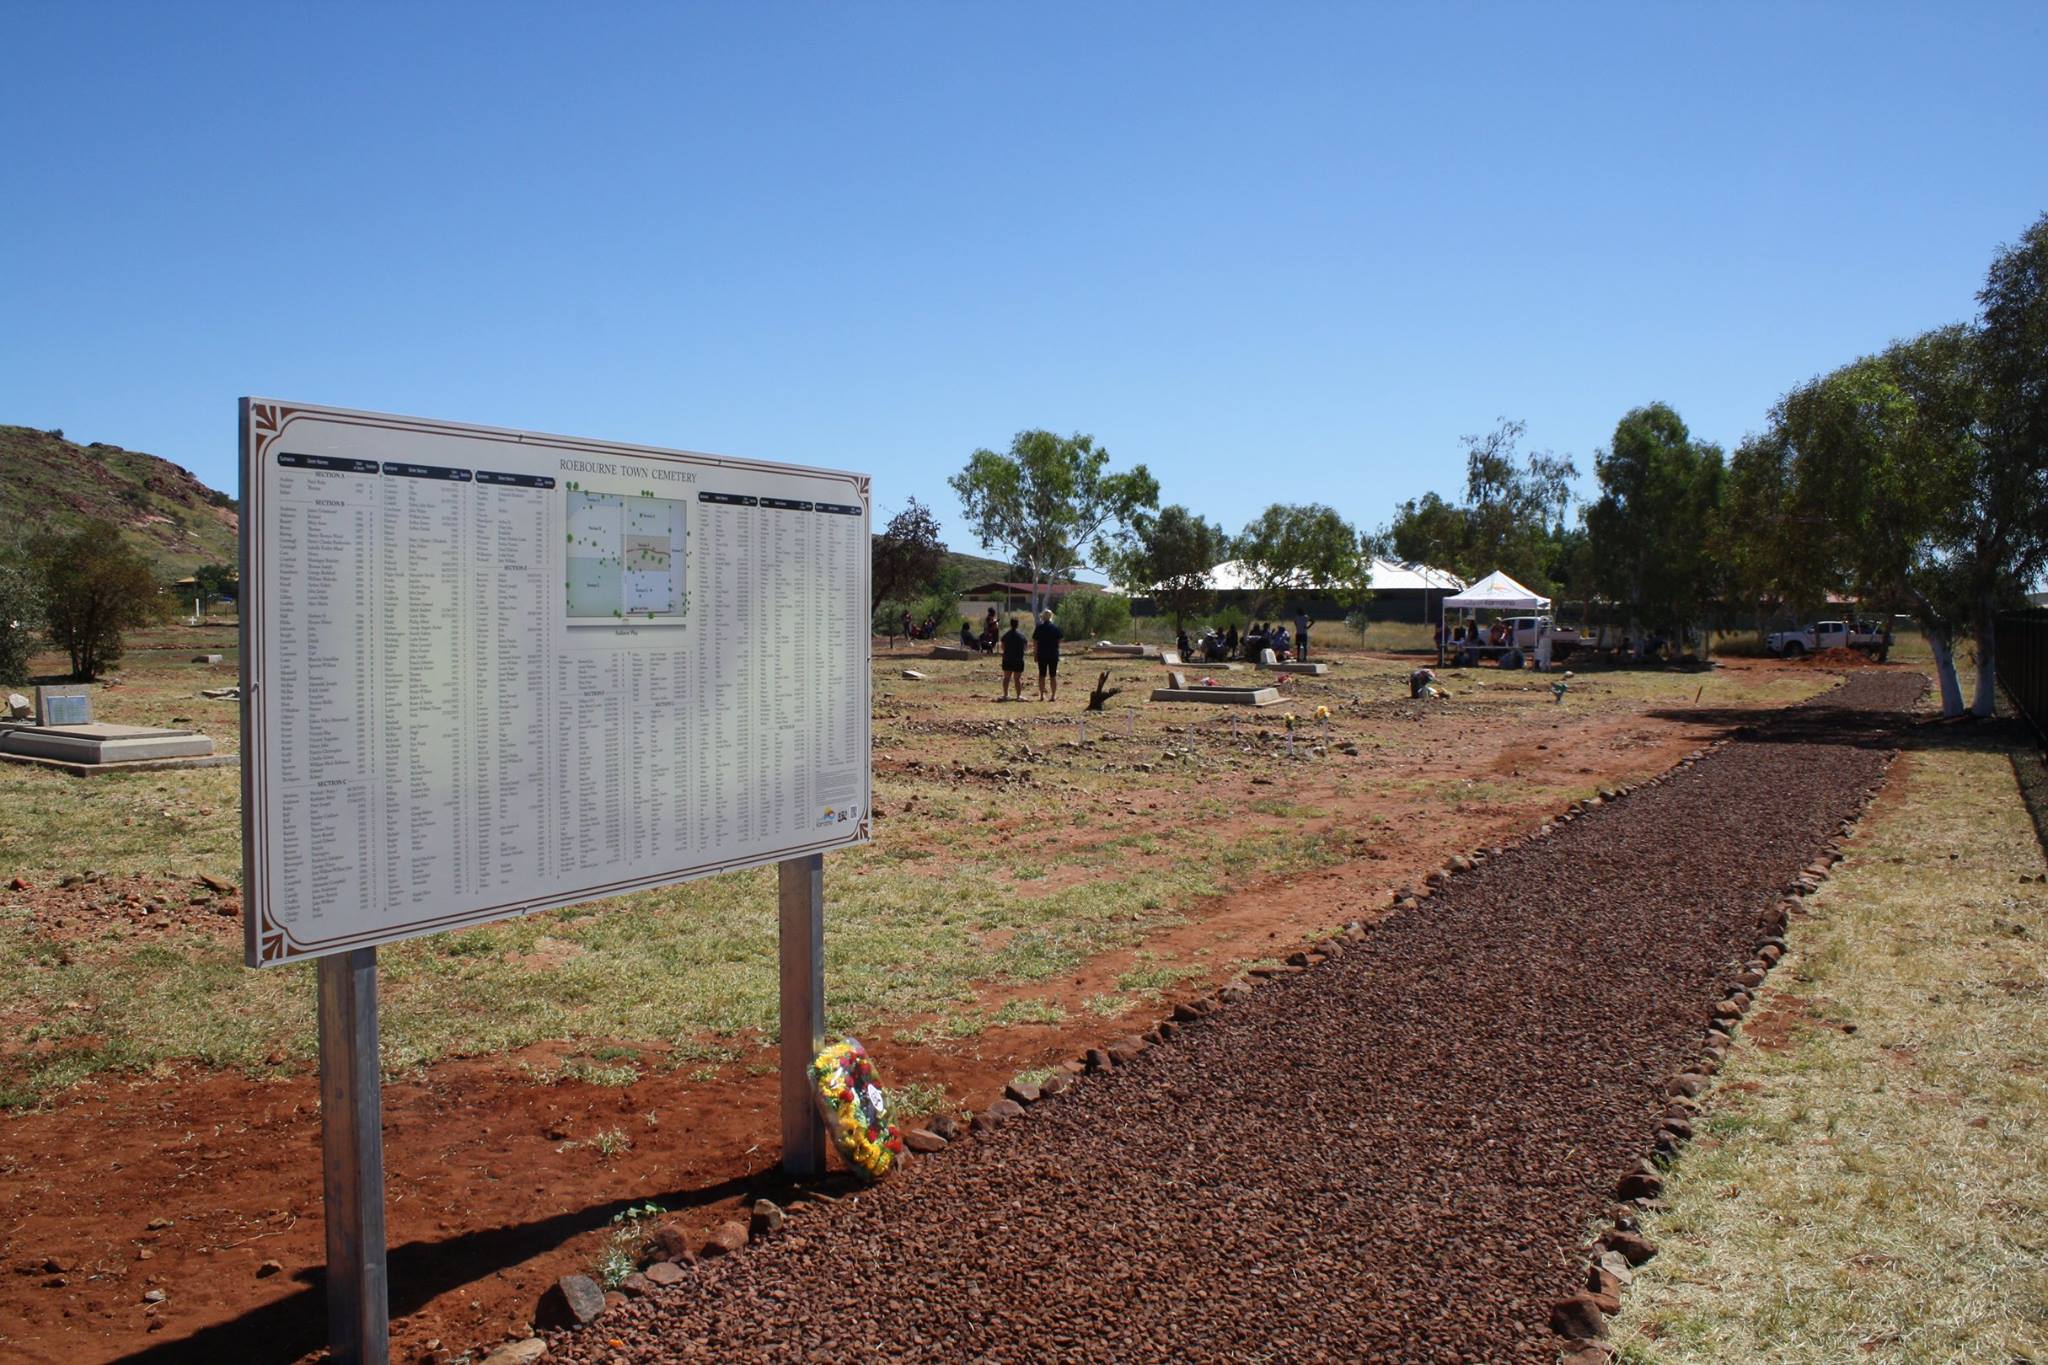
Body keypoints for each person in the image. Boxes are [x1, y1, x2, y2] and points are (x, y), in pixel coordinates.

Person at [1032, 608, 1063, 701]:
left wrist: (1035, 653)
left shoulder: (1039, 628)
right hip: (1053, 654)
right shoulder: (1055, 628)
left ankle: (1041, 695)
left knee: (1042, 675)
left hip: (1042, 654)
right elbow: (1060, 640)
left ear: (1043, 617)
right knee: (1053, 675)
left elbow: (1035, 642)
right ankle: (1053, 696)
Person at [999, 614, 1028, 700]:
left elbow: (1002, 646)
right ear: (1017, 624)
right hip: (1018, 659)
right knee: (1017, 679)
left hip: (1007, 658)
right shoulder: (1021, 636)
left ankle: (1005, 694)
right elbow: (1025, 647)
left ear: (1010, 624)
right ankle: (1018, 696)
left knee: (1006, 678)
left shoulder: (1006, 635)